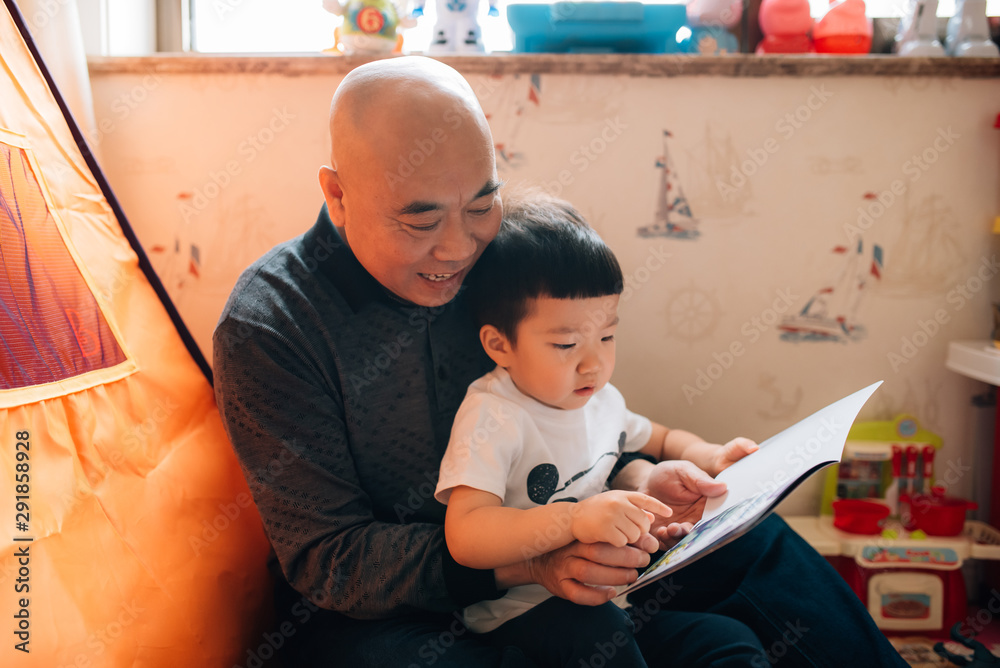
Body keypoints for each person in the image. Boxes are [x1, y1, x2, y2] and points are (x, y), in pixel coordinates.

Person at [212, 55, 910, 667]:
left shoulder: (508, 252)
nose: (458, 248)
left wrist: (640, 478)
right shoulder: (273, 325)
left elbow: (582, 417)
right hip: (399, 611)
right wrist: (531, 562)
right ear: (337, 193)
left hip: (580, 552)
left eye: (482, 201)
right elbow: (331, 562)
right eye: (420, 221)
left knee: (750, 540)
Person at [435, 190, 768, 667]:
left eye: (607, 336)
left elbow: (660, 438)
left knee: (727, 638)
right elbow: (465, 535)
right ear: (499, 344)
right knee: (599, 634)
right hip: (526, 616)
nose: (593, 363)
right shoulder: (494, 415)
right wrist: (574, 519)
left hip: (614, 601)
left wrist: (709, 456)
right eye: (566, 343)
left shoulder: (599, 400)